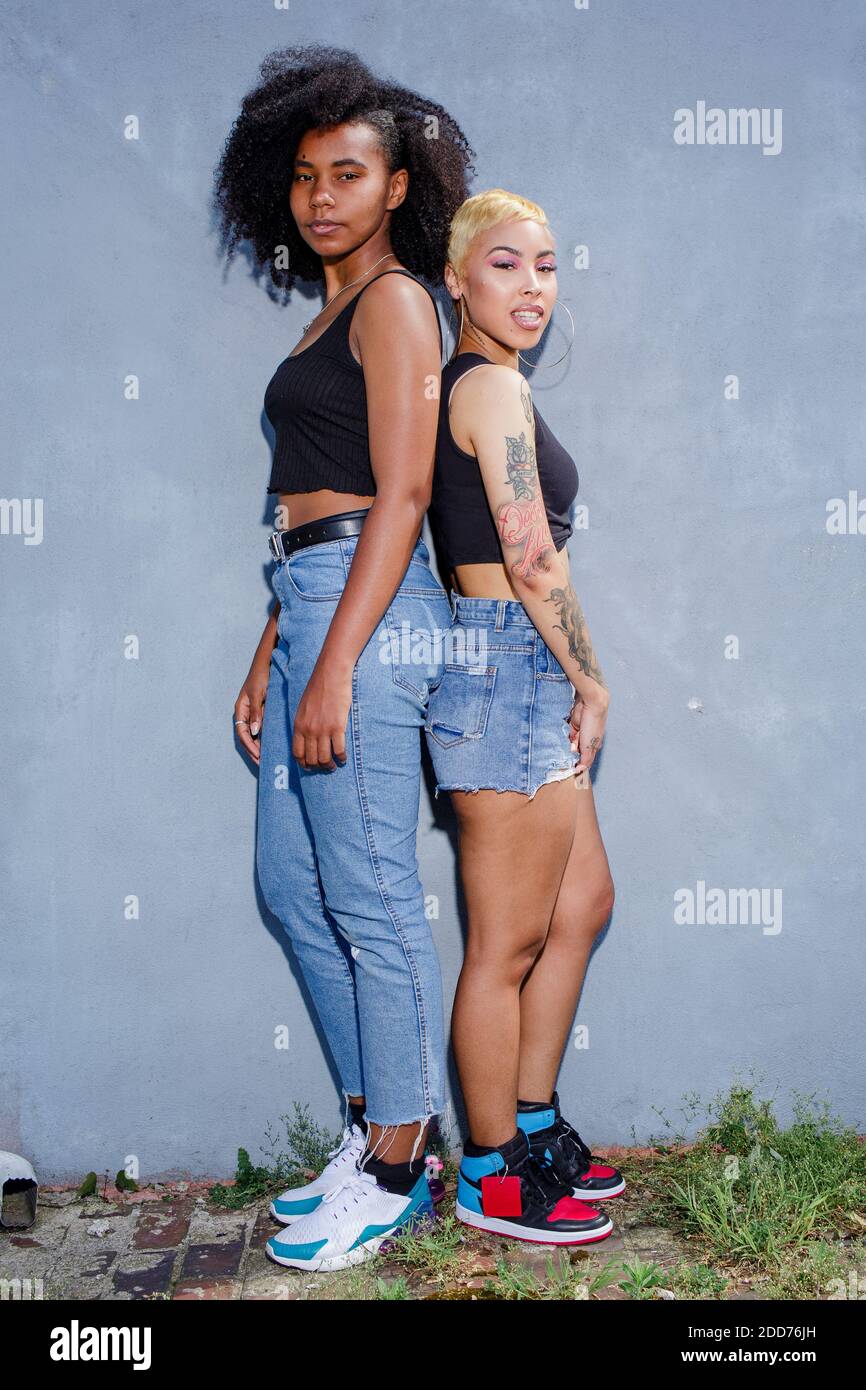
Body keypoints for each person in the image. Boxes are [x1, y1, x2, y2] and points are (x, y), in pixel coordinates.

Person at [214, 45, 473, 1272]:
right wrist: (277, 644)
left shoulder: (395, 303)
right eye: (306, 176)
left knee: (368, 889)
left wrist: (333, 665)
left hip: (371, 603)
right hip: (312, 594)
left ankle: (400, 1163)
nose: (321, 197)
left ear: (396, 186)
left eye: (348, 174)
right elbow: (308, 495)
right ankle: (378, 1123)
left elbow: (404, 490)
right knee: (291, 886)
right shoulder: (330, 308)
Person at [424, 189, 623, 1245]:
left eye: (546, 264)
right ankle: (492, 1173)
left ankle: (533, 1120)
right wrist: (590, 680)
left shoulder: (495, 383)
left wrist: (570, 679)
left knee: (580, 903)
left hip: (524, 666)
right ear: (457, 280)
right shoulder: (487, 386)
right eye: (505, 265)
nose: (533, 285)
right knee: (504, 942)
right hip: (504, 668)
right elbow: (528, 548)